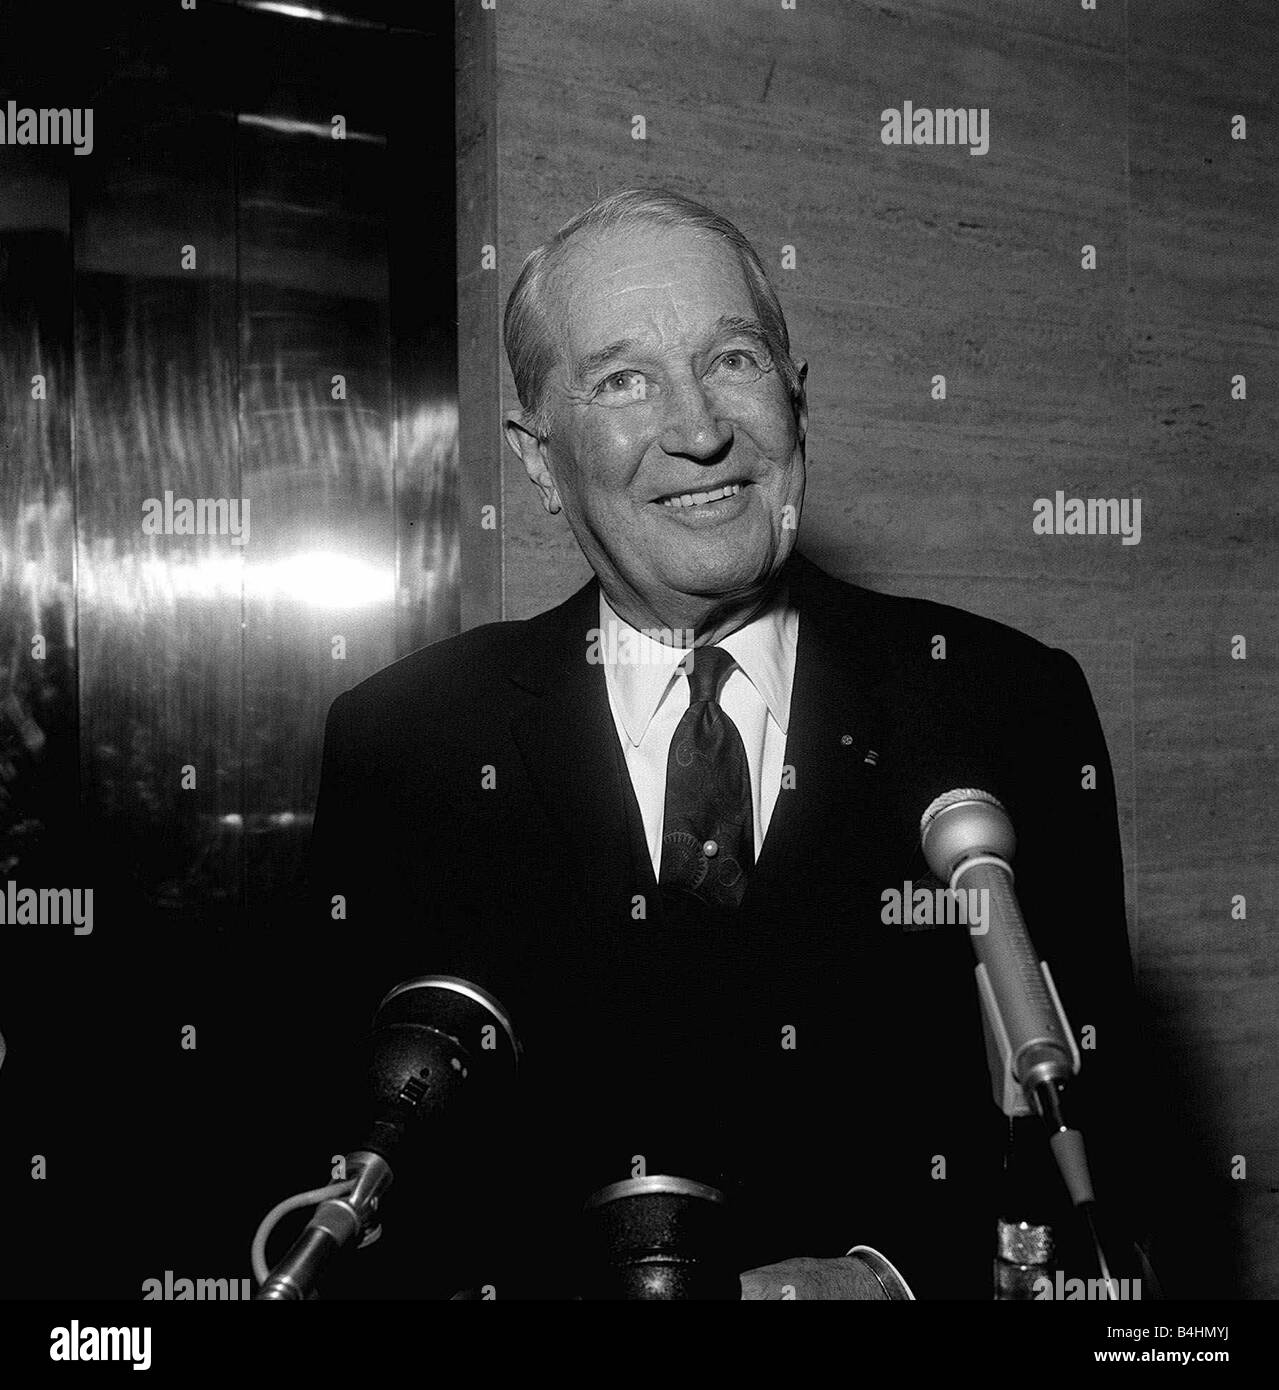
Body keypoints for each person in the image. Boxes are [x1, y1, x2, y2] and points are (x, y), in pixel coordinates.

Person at [301, 188, 1149, 1300]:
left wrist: (895, 1284)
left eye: (734, 360)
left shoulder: (1002, 706)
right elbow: (338, 1190)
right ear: (539, 461)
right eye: (621, 381)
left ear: (799, 404)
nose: (698, 428)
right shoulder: (403, 741)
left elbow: (1098, 1162)